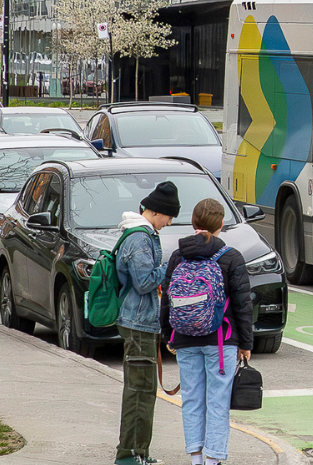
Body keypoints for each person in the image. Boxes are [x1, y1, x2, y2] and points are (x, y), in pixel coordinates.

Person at [161, 199, 253, 465]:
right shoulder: (231, 257)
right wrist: (246, 343)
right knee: (217, 401)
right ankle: (213, 459)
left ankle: (196, 458)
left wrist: (168, 335)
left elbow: (167, 299)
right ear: (221, 225)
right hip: (221, 342)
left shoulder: (179, 256)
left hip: (185, 339)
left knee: (191, 399)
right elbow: (242, 304)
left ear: (193, 224)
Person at [114, 181, 179, 465]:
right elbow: (143, 282)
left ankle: (140, 452)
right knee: (139, 393)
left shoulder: (143, 235)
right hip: (138, 322)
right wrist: (169, 267)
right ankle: (128, 454)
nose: (170, 222)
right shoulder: (140, 239)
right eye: (169, 216)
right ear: (157, 212)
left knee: (144, 392)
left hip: (142, 322)